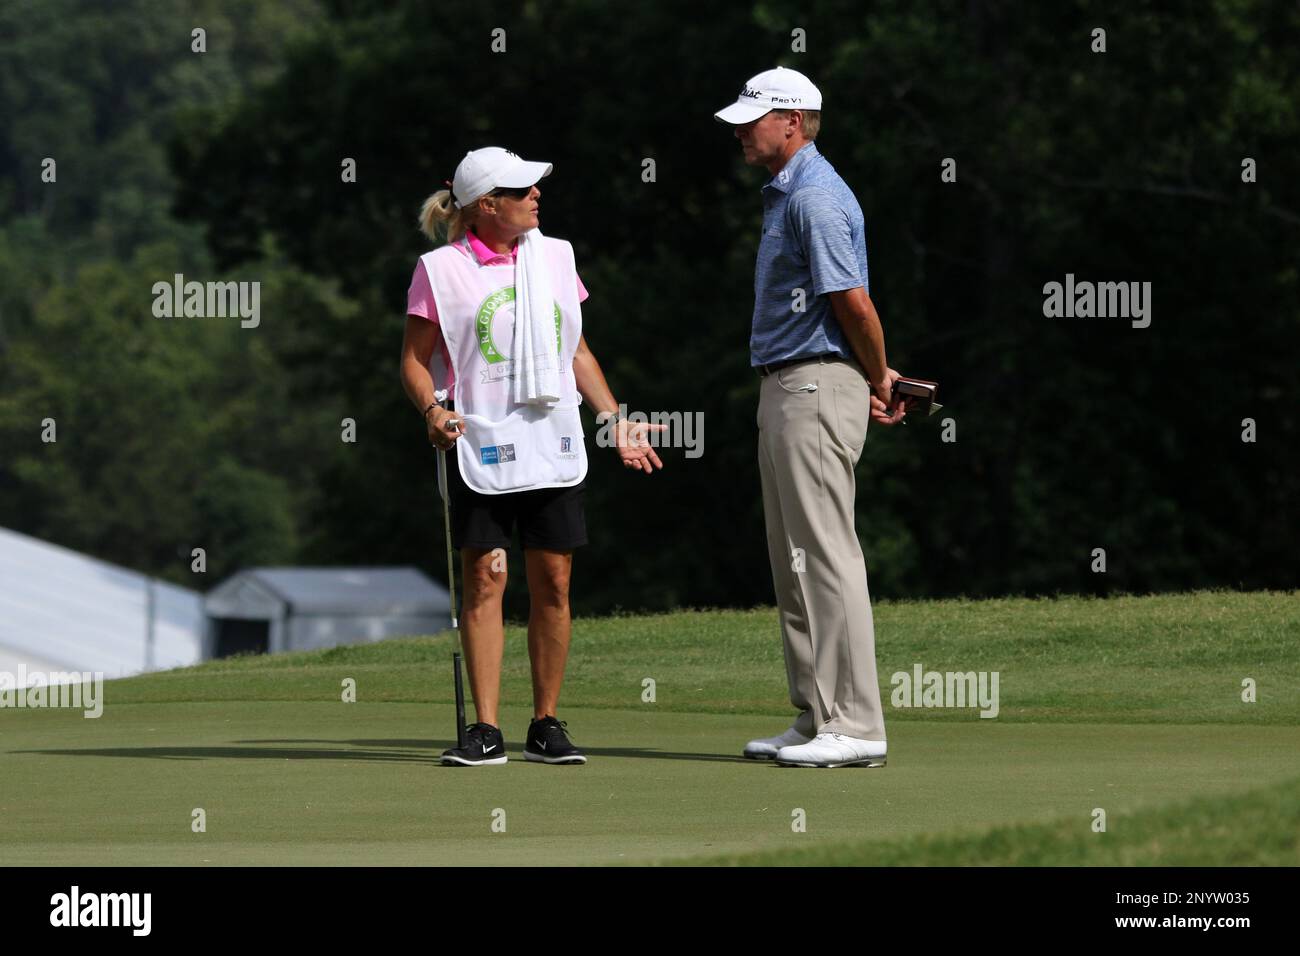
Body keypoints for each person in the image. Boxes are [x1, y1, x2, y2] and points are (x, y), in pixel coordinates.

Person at [399, 147, 664, 767]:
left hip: (552, 441)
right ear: (486, 204)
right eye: (523, 189)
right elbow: (413, 361)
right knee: (487, 578)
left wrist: (616, 420)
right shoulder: (439, 270)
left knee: (555, 582)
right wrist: (433, 412)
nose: (537, 195)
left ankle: (545, 723)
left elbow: (575, 350)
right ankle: (485, 729)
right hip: (481, 443)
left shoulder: (556, 256)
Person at [714, 68, 909, 768]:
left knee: (826, 555)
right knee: (792, 559)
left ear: (792, 121)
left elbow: (854, 304)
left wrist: (877, 374)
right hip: (787, 387)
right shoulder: (786, 195)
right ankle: (816, 714)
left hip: (816, 386)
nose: (740, 130)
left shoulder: (817, 198)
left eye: (753, 119)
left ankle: (856, 725)